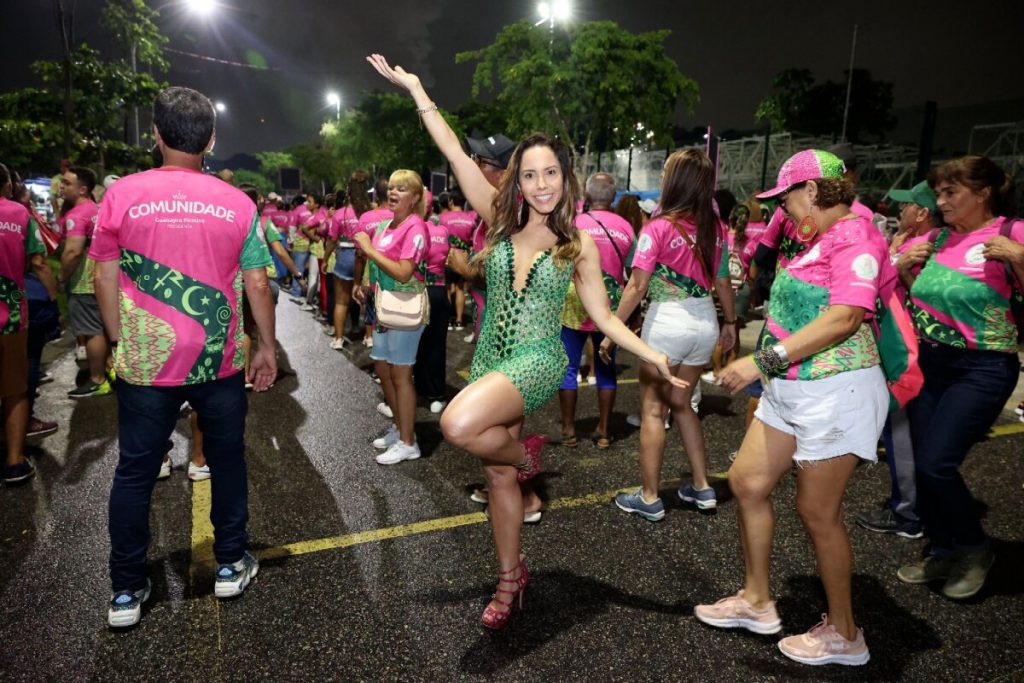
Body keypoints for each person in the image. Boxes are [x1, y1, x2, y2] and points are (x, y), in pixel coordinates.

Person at [367, 53, 686, 630]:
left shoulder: (578, 243)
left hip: (539, 358)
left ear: (566, 179)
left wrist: (650, 353)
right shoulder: (499, 217)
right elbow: (453, 152)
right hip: (491, 354)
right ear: (518, 178)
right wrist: (416, 87)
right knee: (495, 477)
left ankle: (526, 455)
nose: (541, 184)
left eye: (551, 174)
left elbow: (605, 318)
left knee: (462, 427)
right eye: (530, 174)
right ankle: (511, 578)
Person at [695, 149, 894, 666]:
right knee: (747, 482)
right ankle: (758, 601)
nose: (781, 206)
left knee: (818, 513)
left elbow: (847, 317)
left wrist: (762, 361)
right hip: (794, 388)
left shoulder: (856, 235)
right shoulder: (820, 237)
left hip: (838, 390)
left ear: (812, 190)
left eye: (786, 195)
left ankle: (846, 635)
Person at [91, 87, 276, 627]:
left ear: (155, 134)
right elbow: (258, 283)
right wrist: (264, 345)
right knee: (226, 460)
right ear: (212, 140)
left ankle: (126, 590)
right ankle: (228, 565)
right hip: (216, 360)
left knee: (135, 473)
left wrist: (121, 338)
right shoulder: (237, 202)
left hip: (148, 360)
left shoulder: (122, 195)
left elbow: (103, 272)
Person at [894, 156, 1023, 599]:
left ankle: (974, 547)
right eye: (940, 193)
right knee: (924, 466)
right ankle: (944, 547)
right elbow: (929, 300)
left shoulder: (1012, 233)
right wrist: (906, 269)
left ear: (984, 193)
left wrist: (1021, 259)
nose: (941, 201)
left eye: (952, 192)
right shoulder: (935, 238)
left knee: (936, 463)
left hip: (984, 366)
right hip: (931, 363)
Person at [600, 150, 736, 519]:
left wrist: (612, 330)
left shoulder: (657, 227)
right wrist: (731, 324)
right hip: (705, 322)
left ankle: (648, 498)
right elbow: (723, 281)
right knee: (684, 405)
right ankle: (703, 487)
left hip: (668, 325)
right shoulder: (716, 229)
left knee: (654, 411)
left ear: (675, 181)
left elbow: (636, 286)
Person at [855, 180, 939, 540]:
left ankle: (908, 512)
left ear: (922, 214)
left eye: (908, 206)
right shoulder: (913, 241)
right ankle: (908, 504)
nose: (900, 210)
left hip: (908, 352)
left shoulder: (925, 246)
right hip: (907, 349)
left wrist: (898, 262)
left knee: (902, 434)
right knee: (904, 433)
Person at [353, 169, 430, 464]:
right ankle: (401, 428)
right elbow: (381, 268)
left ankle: (410, 442)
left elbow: (403, 271)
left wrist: (370, 250)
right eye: (392, 188)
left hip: (405, 309)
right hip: (382, 306)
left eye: (402, 189)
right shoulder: (386, 225)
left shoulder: (416, 227)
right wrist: (364, 287)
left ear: (415, 198)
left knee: (401, 375)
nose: (394, 193)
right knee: (383, 371)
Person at [558, 172, 635, 448]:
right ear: (613, 197)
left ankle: (568, 430)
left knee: (567, 367)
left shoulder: (572, 224)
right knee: (606, 368)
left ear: (587, 196)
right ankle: (603, 430)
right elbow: (632, 270)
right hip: (609, 306)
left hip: (574, 302)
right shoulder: (626, 227)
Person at [1, 162, 58, 484]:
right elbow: (37, 261)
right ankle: (14, 460)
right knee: (15, 389)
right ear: (7, 185)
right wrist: (52, 297)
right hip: (8, 313)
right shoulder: (19, 215)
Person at [58, 165, 112, 398]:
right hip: (103, 277)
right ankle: (109, 371)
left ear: (82, 189)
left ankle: (97, 378)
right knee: (103, 328)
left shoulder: (77, 215)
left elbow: (73, 252)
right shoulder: (97, 209)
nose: (61, 187)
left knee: (92, 331)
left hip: (83, 281)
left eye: (67, 183)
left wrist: (61, 278)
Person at [324, 173, 372, 349]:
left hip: (344, 257)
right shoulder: (369, 212)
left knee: (341, 301)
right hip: (366, 256)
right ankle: (369, 337)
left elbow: (331, 240)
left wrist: (325, 259)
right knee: (368, 300)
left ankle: (338, 339)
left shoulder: (339, 213)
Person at [415, 190, 452, 414]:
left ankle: (421, 388)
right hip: (439, 290)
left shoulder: (412, 230)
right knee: (436, 343)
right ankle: (436, 393)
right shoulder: (443, 231)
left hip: (417, 291)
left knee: (416, 344)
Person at [440, 188, 475, 331]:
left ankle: (448, 319)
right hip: (464, 257)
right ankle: (460, 321)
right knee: (460, 289)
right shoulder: (471, 219)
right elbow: (473, 241)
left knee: (448, 289)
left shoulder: (443, 218)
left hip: (448, 256)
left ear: (451, 201)